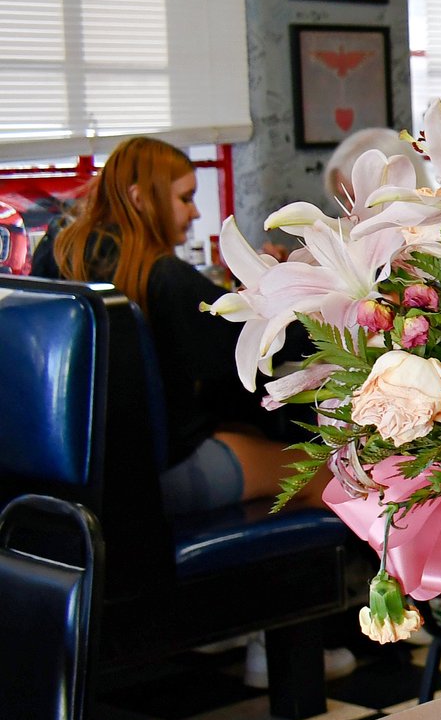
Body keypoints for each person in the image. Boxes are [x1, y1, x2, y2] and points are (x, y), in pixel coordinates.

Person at [31, 137, 316, 514]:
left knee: (244, 434)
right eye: (185, 198)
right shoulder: (164, 277)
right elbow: (265, 346)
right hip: (156, 473)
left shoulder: (57, 254)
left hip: (69, 475)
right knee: (326, 476)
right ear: (139, 198)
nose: (195, 212)